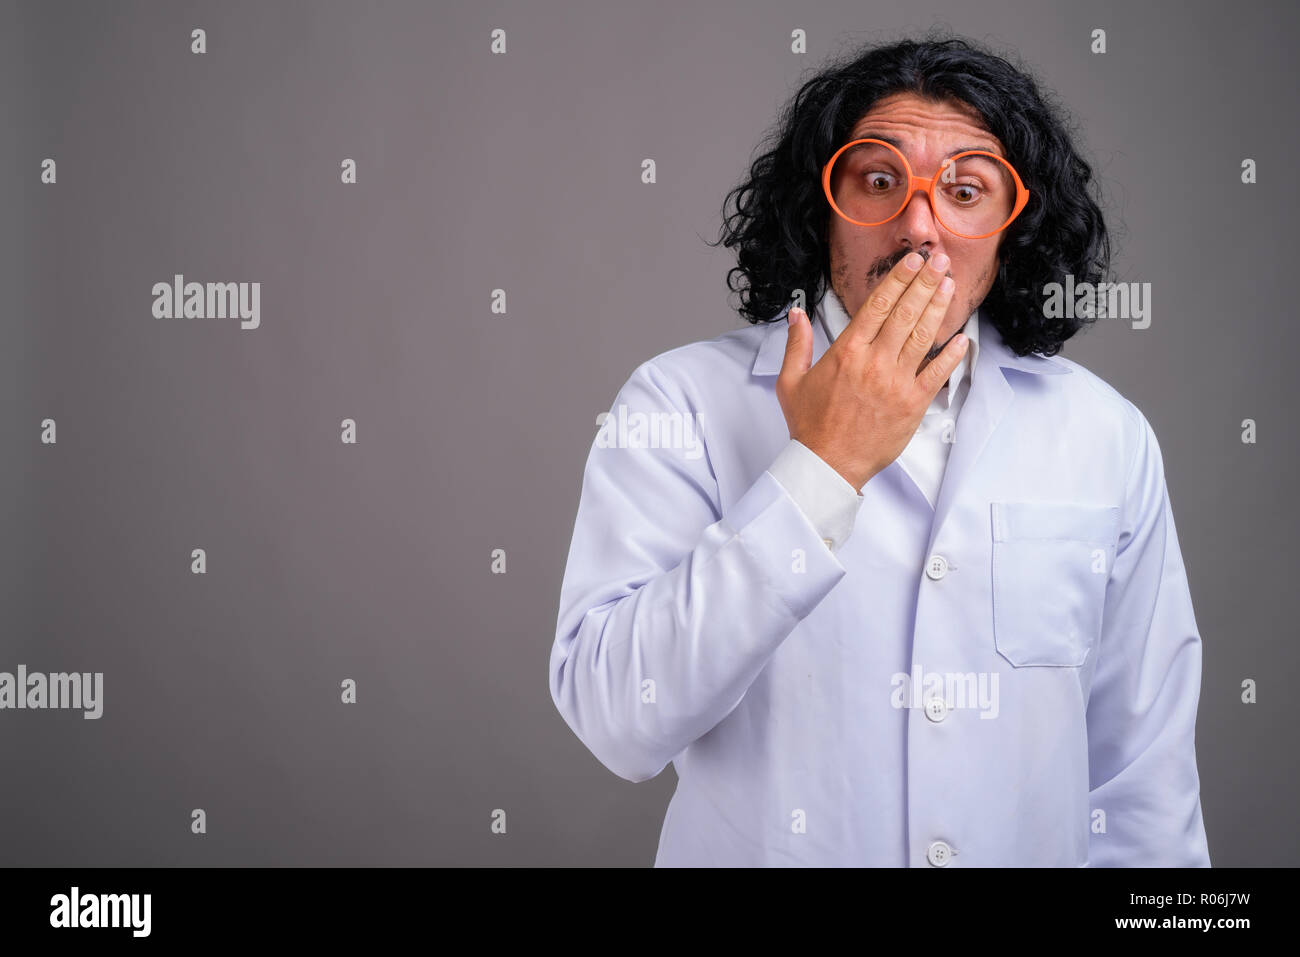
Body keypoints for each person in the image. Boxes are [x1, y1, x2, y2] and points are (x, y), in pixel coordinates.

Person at [548, 35, 1210, 867]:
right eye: (879, 180)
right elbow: (617, 719)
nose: (918, 225)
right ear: (821, 205)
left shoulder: (1106, 434)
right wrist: (821, 465)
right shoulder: (677, 402)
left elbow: (1143, 785)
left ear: (1015, 226)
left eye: (965, 190)